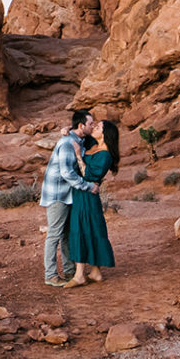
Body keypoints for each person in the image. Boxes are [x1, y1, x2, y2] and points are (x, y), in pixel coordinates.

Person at [39, 109, 99, 286]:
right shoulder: (67, 144)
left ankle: (70, 271)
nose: (93, 126)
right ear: (81, 126)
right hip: (58, 194)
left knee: (66, 233)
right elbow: (66, 172)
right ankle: (50, 275)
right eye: (90, 123)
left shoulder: (79, 140)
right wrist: (88, 187)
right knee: (54, 234)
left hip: (67, 194)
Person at [65, 118, 120, 285]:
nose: (94, 128)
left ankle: (80, 275)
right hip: (81, 193)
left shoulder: (105, 154)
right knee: (89, 228)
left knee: (82, 228)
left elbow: (89, 176)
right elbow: (79, 133)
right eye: (94, 125)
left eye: (98, 127)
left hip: (87, 196)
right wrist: (67, 129)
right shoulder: (93, 145)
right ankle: (95, 272)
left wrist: (77, 156)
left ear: (105, 134)